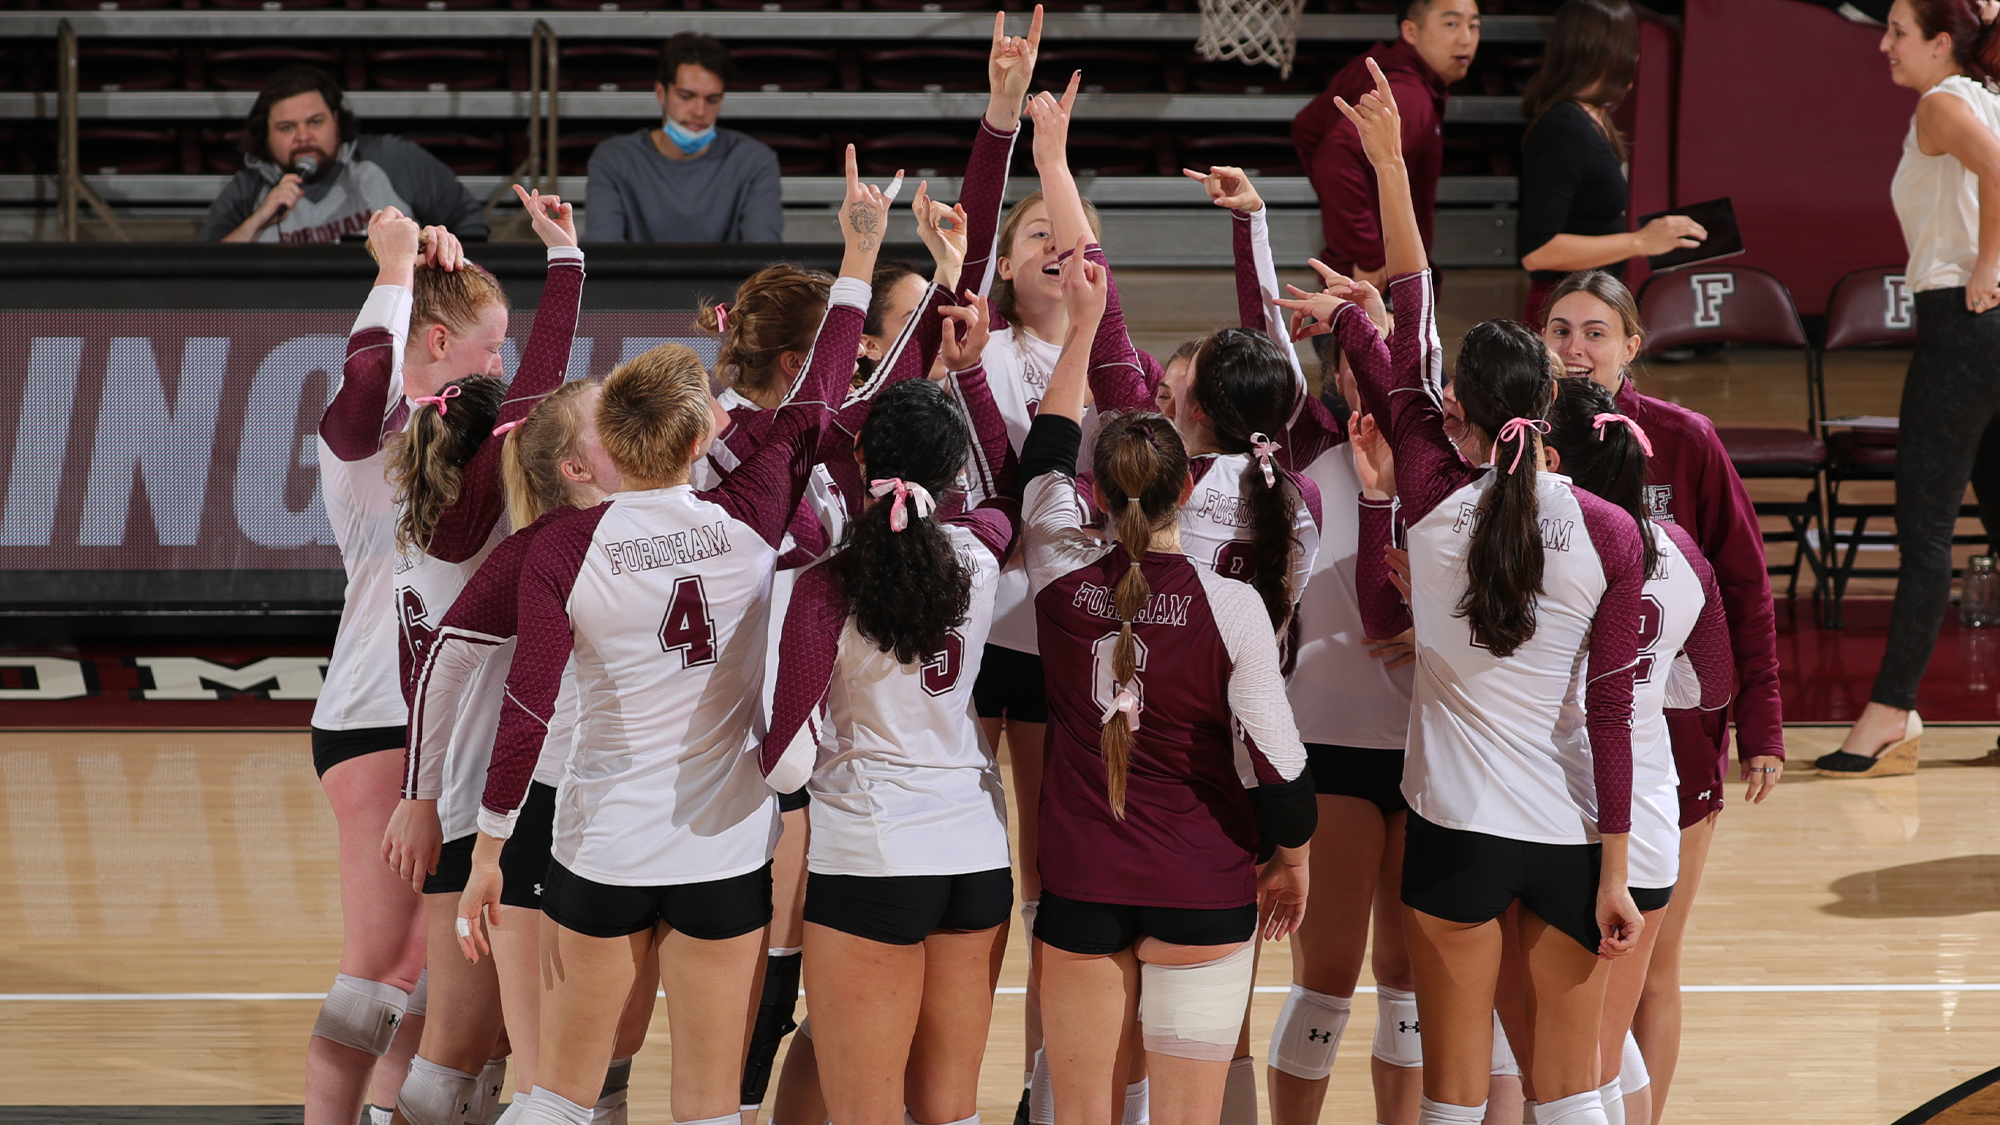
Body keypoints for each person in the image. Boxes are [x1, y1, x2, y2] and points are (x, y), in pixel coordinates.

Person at [459, 150, 892, 1125]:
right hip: (724, 855)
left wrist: (490, 848)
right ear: (699, 440)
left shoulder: (559, 546)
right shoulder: (749, 518)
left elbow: (527, 713)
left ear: (606, 436)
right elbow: (820, 399)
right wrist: (857, 257)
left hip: (603, 847)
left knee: (557, 1095)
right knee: (704, 1107)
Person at [1313, 58, 1645, 1125]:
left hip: (1452, 828)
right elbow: (1609, 714)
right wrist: (1612, 869)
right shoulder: (1608, 531)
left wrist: (1380, 170)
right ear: (1551, 394)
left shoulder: (1425, 498)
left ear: (1450, 407)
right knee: (1569, 1085)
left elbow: (1398, 321)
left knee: (1453, 1088)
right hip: (1566, 837)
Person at [1023, 239, 1316, 1125]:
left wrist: (1078, 330)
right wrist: (1292, 859)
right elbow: (1281, 769)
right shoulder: (1232, 606)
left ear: (1097, 497)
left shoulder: (1055, 572)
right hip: (1201, 885)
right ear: (1190, 490)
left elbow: (1044, 447)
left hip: (1080, 880)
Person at [1537, 268, 1784, 1123]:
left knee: (1653, 962)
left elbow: (1746, 587)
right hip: (1545, 757)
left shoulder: (1685, 439)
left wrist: (1763, 724)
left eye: (1595, 332)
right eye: (1561, 330)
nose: (1575, 348)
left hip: (1667, 748)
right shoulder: (1520, 445)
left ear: (1633, 345)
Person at [756, 344, 1020, 1125]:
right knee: (950, 1109)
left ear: (865, 457)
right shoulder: (982, 548)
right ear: (950, 472)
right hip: (975, 857)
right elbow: (1011, 490)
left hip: (871, 855)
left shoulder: (824, 586)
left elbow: (784, 762)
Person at [1530, 378, 1736, 1125]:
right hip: (1645, 822)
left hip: (1550, 808)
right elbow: (1714, 684)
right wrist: (1650, 691)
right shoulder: (1680, 549)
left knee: (1566, 1063)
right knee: (1607, 1051)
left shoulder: (1542, 545)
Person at [307, 206, 465, 1125]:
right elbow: (370, 371)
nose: (503, 365)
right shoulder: (367, 448)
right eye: (492, 348)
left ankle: (383, 1114)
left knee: (432, 969)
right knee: (379, 971)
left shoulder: (464, 439)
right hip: (374, 715)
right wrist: (398, 268)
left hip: (437, 724)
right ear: (439, 341)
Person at [1817, 0, 2000, 781]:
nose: (1884, 45)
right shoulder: (1986, 96)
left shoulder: (1944, 102)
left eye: (1898, 32)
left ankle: (1891, 711)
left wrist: (1989, 263)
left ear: (1939, 42)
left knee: (1924, 532)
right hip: (1988, 329)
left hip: (1963, 322)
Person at [1514, 0, 1704, 323]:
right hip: (1563, 315)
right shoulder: (1565, 128)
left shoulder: (1592, 117)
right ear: (1612, 54)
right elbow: (1537, 251)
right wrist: (1640, 241)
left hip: (1590, 306)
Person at [1290, 0, 1481, 290]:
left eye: (1474, 25)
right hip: (1374, 290)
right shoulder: (1408, 93)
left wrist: (1348, 213)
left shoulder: (1389, 70)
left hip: (1347, 281)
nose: (1466, 38)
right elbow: (1334, 160)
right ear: (1410, 31)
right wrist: (1370, 256)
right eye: (1451, 23)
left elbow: (1306, 128)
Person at [202, 65, 487, 244]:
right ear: (265, 135)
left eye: (315, 122)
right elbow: (203, 276)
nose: (303, 136)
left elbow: (468, 217)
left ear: (336, 121)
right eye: (287, 127)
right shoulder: (246, 191)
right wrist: (258, 221)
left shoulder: (390, 159)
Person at [583, 33, 784, 243]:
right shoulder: (615, 159)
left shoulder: (755, 161)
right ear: (661, 93)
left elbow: (765, 258)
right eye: (686, 96)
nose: (699, 111)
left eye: (712, 100)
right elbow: (603, 250)